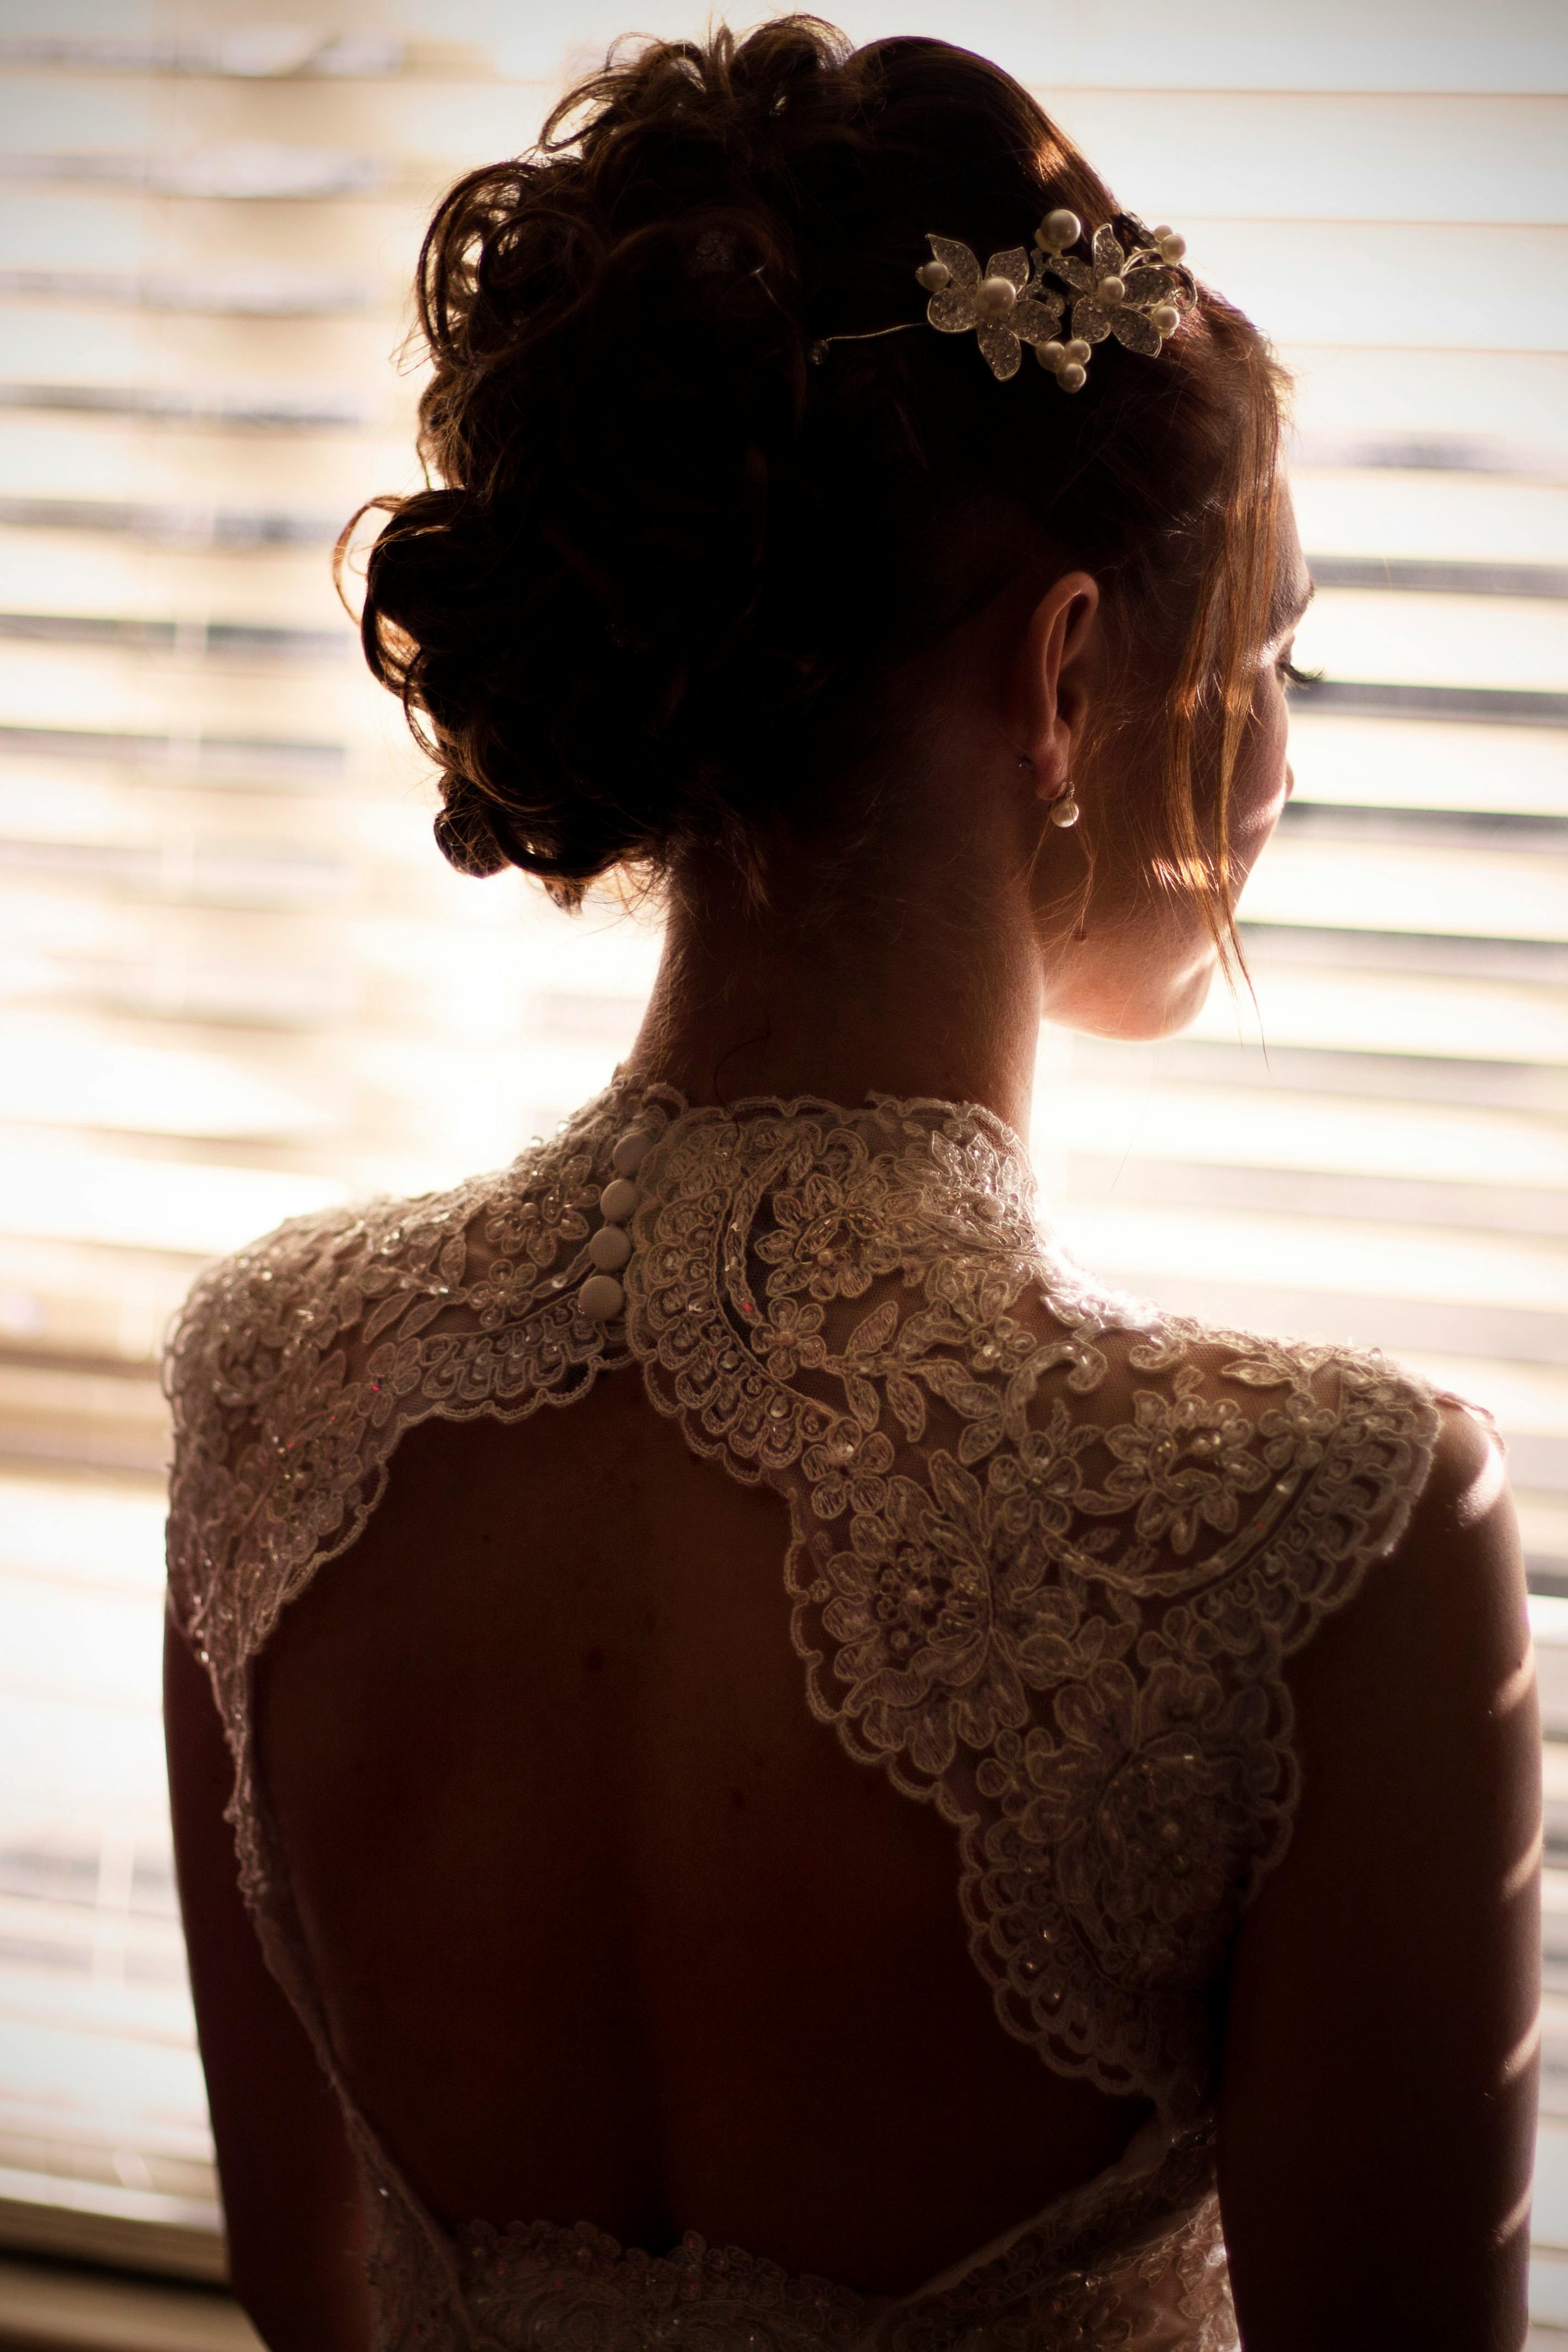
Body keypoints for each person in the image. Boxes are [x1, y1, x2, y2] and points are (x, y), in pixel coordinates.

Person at [161, 20, 1540, 2349]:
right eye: (1276, 658)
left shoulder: (269, 1395)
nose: (1284, 762)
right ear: (1065, 672)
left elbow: (314, 2311)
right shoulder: (1334, 1536)